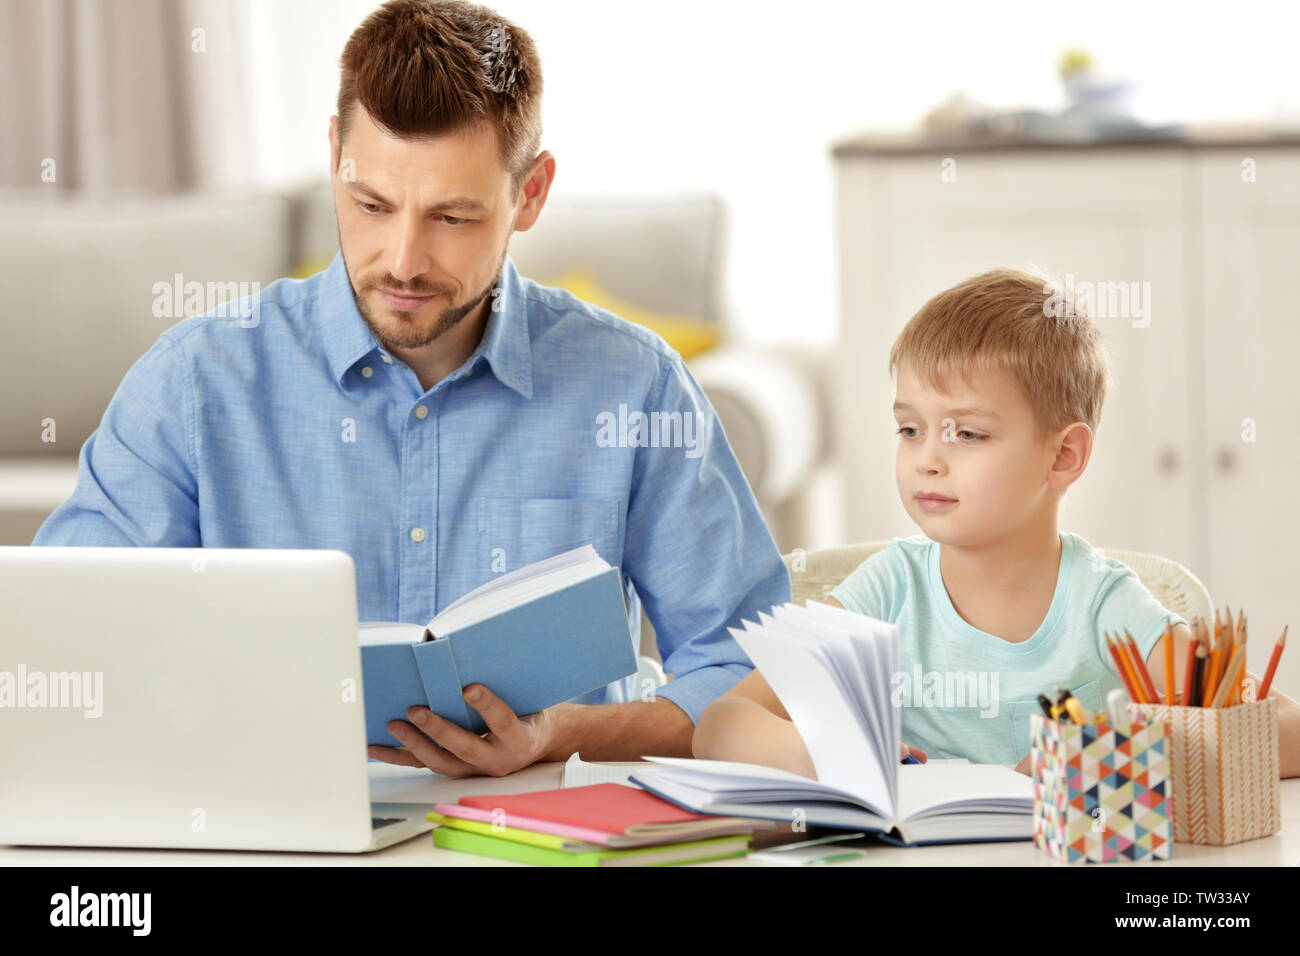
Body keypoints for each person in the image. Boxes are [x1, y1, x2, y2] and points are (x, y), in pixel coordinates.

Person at [33, 0, 790, 777]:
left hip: (540, 842)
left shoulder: (635, 388)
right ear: (335, 157)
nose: (401, 259)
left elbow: (755, 673)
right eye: (371, 205)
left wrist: (567, 730)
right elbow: (67, 641)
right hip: (268, 828)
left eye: (452, 217)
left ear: (529, 193)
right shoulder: (195, 382)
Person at [693, 268, 1300, 777]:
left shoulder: (1104, 606)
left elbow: (1287, 730)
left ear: (1062, 456)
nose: (927, 459)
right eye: (910, 429)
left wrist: (1108, 753)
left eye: (967, 433)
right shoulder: (887, 591)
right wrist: (816, 753)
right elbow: (721, 725)